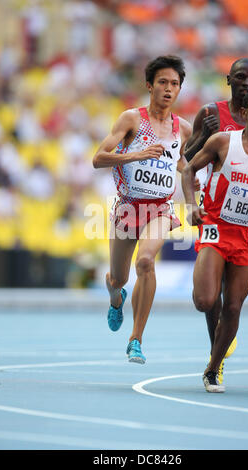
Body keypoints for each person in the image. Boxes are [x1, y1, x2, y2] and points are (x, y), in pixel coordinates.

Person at [92, 55, 192, 364]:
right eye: (162, 82)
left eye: (174, 84)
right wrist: (135, 156)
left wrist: (192, 204)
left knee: (146, 261)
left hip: (160, 209)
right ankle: (115, 296)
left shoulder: (184, 129)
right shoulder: (131, 119)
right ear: (149, 85)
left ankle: (136, 339)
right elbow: (98, 158)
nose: (168, 89)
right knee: (118, 278)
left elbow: (184, 168)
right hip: (128, 209)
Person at [182, 87, 248, 392]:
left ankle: (213, 368)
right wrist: (191, 204)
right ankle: (208, 288)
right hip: (216, 226)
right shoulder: (224, 141)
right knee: (204, 301)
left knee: (234, 308)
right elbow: (188, 169)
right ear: (245, 112)